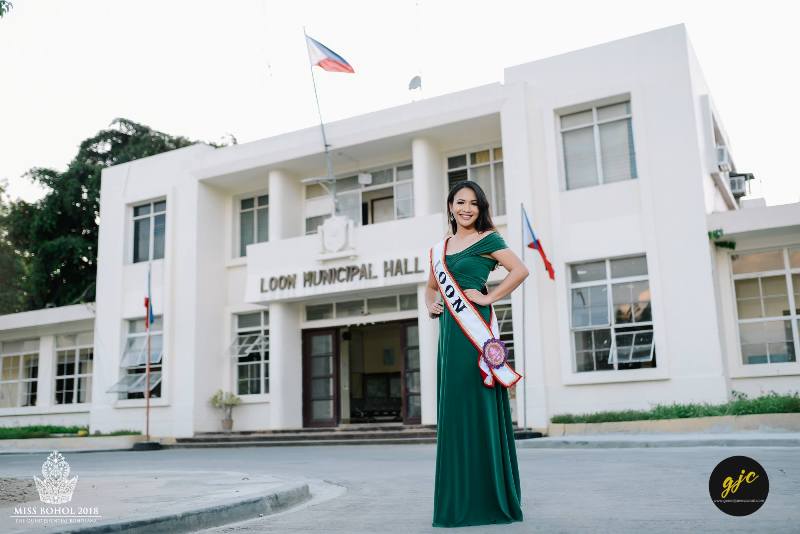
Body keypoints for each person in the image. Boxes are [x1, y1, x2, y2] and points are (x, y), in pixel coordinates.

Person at [427, 180, 529, 528]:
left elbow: (520, 270)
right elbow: (430, 288)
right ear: (450, 206)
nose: (466, 208)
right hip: (450, 338)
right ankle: (459, 498)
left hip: (475, 334)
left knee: (479, 403)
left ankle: (489, 497)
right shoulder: (439, 248)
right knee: (454, 411)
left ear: (480, 207)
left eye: (473, 203)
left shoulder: (488, 239)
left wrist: (489, 297)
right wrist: (432, 305)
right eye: (460, 202)